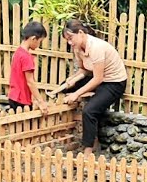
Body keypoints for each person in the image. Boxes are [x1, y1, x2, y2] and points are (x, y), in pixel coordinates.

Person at [50, 19, 128, 154]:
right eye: (67, 40)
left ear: (80, 33)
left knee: (89, 111)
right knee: (65, 86)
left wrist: (76, 94)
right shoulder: (77, 48)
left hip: (113, 83)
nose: (70, 42)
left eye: (71, 38)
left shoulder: (96, 47)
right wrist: (73, 79)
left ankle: (88, 150)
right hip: (95, 77)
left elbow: (98, 79)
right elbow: (84, 71)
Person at [7, 21, 48, 111]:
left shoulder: (17, 52)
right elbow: (30, 82)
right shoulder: (26, 57)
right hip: (22, 100)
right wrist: (41, 101)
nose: (39, 45)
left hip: (13, 96)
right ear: (33, 39)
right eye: (40, 41)